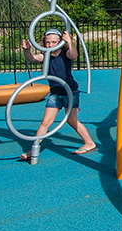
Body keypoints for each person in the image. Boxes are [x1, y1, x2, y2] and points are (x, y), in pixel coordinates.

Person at [19, 29, 96, 160]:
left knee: (72, 120)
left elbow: (74, 55)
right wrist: (27, 50)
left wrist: (69, 41)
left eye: (53, 42)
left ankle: (89, 143)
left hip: (70, 91)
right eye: (47, 42)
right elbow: (32, 58)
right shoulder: (45, 55)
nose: (50, 45)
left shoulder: (65, 54)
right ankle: (34, 149)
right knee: (45, 122)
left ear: (60, 42)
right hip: (55, 93)